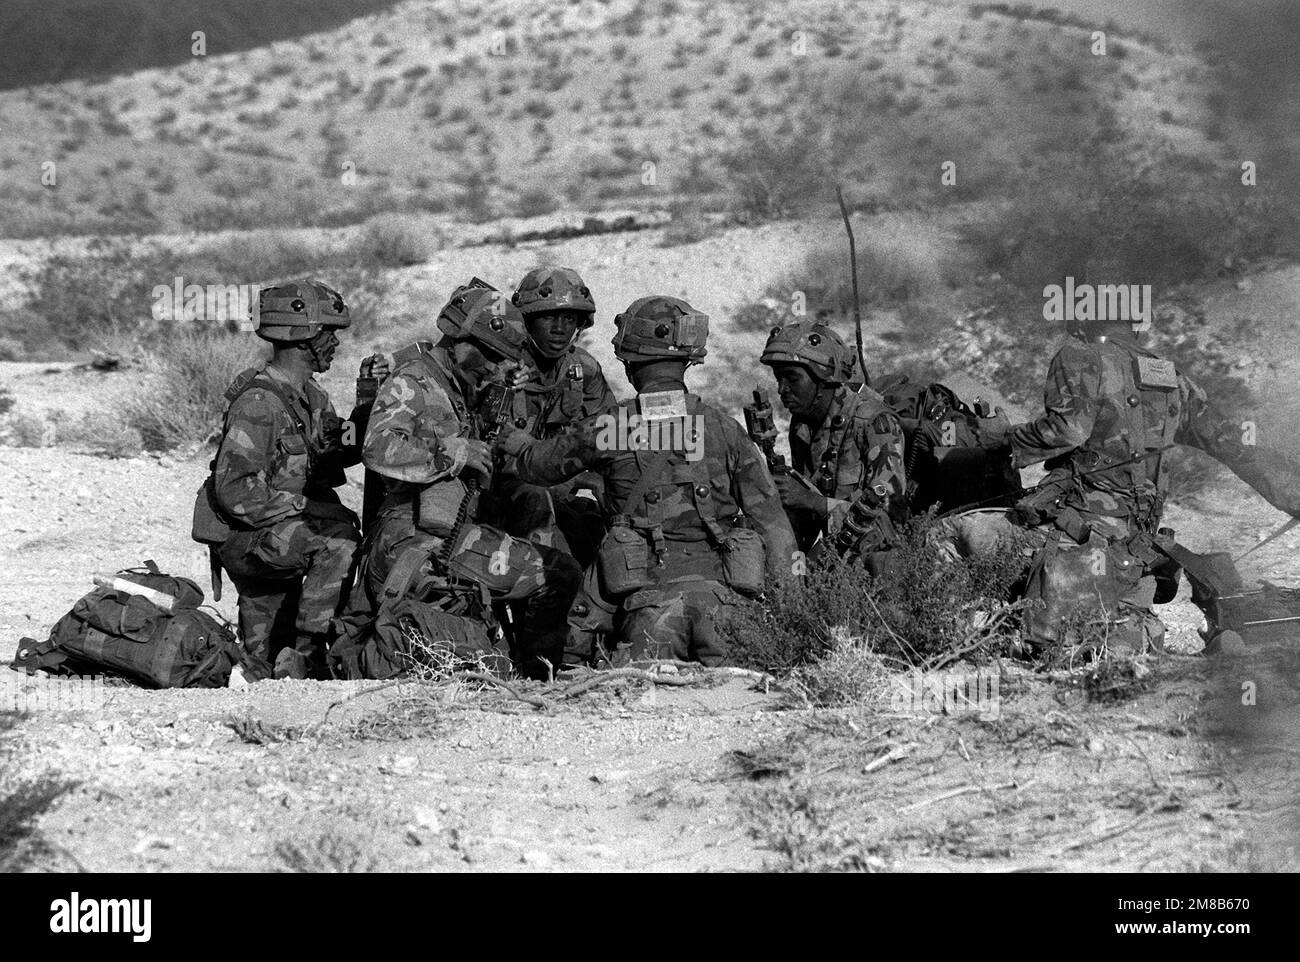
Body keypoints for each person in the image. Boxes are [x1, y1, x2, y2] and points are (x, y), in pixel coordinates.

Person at [944, 313, 1300, 653]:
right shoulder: (1171, 378)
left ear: (1083, 320)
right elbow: (1235, 444)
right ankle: (1120, 618)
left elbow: (1066, 430)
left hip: (1076, 532)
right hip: (1135, 547)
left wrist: (1000, 441)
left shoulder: (1080, 356)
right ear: (1136, 323)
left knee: (951, 534)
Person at [496, 295, 800, 667]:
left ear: (629, 361)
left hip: (649, 613)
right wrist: (794, 616)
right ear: (688, 359)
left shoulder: (613, 427)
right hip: (727, 611)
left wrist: (519, 443)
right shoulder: (724, 428)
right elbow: (774, 525)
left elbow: (536, 468)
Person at [359, 280, 582, 679]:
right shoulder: (413, 381)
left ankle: (526, 668)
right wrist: (453, 453)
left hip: (448, 532)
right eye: (492, 357)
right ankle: (536, 678)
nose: (496, 368)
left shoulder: (457, 387)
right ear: (463, 341)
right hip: (412, 539)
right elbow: (377, 448)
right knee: (557, 574)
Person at [211, 280, 369, 680]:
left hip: (278, 534)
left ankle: (292, 653)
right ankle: (310, 651)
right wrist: (303, 506)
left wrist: (367, 406)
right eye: (328, 334)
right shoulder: (259, 404)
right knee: (338, 537)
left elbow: (338, 450)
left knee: (261, 663)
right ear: (303, 337)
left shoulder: (311, 396)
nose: (335, 343)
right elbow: (235, 493)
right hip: (248, 537)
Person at [494, 267, 618, 567]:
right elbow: (493, 446)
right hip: (504, 486)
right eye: (550, 317)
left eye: (570, 319)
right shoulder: (499, 366)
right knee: (536, 500)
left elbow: (608, 436)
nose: (560, 328)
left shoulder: (582, 369)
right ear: (528, 320)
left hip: (560, 481)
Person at [757, 322, 908, 564]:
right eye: (778, 378)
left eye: (792, 379)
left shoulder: (873, 422)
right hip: (836, 546)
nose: (781, 389)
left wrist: (812, 502)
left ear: (823, 377)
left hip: (876, 551)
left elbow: (889, 514)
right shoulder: (802, 425)